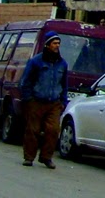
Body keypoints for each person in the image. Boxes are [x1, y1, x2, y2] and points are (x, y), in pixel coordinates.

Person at [17, 32, 68, 169]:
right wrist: (28, 99)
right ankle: (29, 157)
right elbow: (25, 81)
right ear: (47, 45)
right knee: (33, 130)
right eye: (54, 43)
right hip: (36, 101)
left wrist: (63, 101)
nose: (57, 46)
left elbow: (64, 84)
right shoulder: (36, 61)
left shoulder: (62, 64)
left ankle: (46, 157)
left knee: (53, 130)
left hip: (54, 103)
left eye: (58, 43)